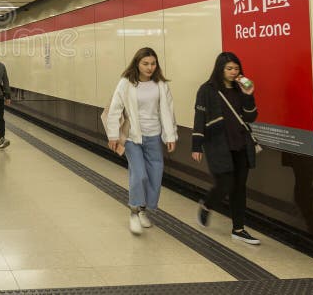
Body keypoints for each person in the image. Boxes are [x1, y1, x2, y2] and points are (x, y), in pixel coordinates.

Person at [106, 47, 177, 235]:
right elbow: (114, 109)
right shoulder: (126, 83)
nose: (150, 67)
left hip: (154, 136)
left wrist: (170, 136)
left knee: (155, 175)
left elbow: (168, 110)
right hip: (132, 137)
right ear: (137, 63)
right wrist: (113, 135)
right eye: (145, 63)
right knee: (139, 174)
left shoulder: (160, 84)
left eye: (153, 63)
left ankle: (144, 210)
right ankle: (134, 212)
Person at [192, 52, 260, 245]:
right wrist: (196, 145)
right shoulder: (207, 90)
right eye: (229, 68)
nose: (233, 72)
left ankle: (238, 229)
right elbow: (199, 119)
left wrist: (249, 96)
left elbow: (250, 117)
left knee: (239, 188)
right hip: (217, 145)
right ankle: (207, 205)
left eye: (236, 68)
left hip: (241, 144)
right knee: (225, 184)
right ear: (220, 69)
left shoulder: (241, 89)